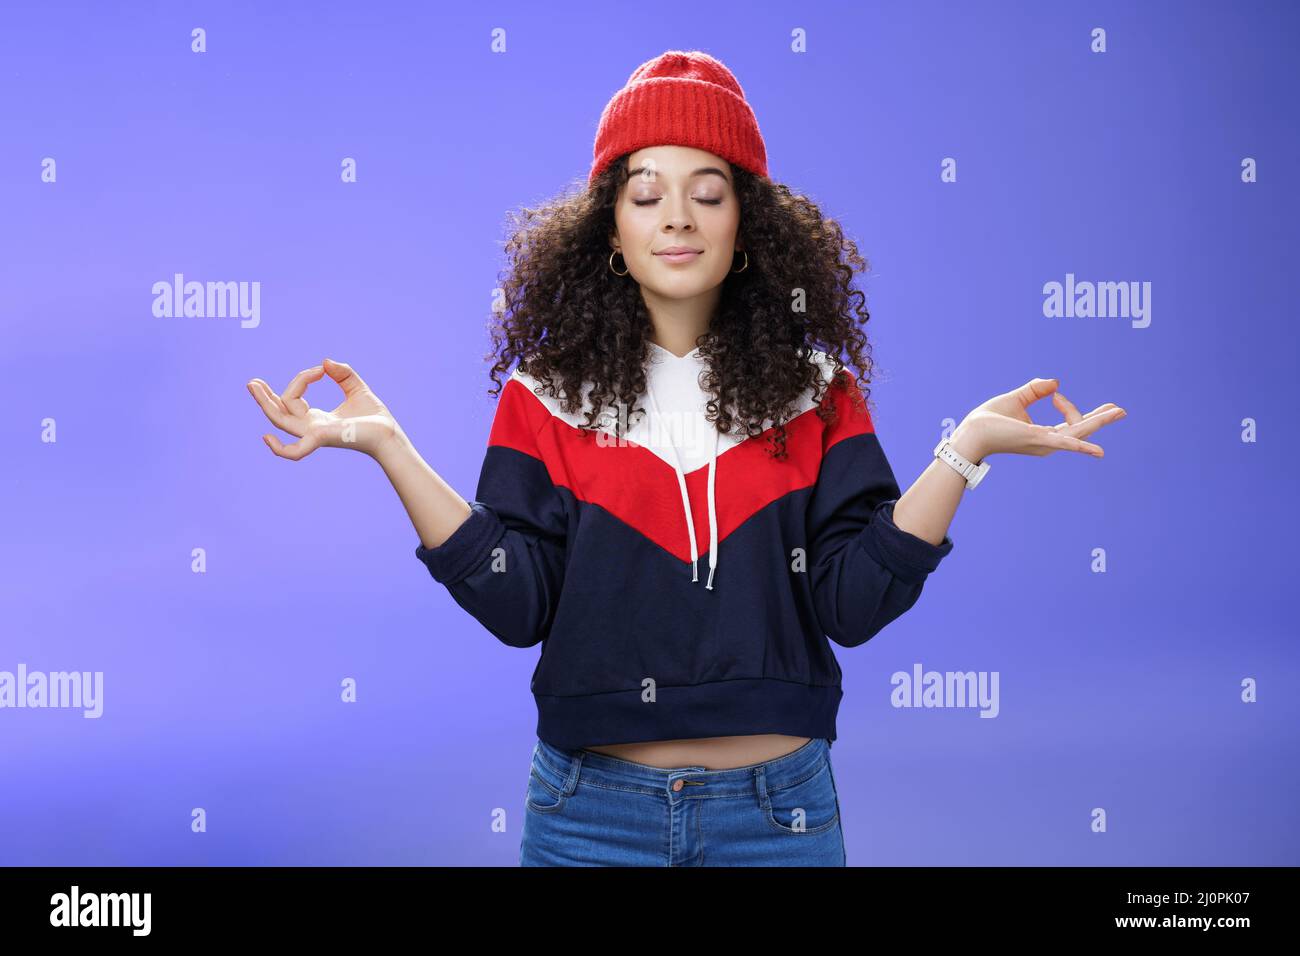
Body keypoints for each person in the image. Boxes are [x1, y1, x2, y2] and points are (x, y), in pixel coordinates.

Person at [245, 50, 1126, 866]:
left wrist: (963, 450)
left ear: (748, 226)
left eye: (708, 192)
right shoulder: (542, 397)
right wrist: (389, 448)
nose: (677, 216)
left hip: (778, 817)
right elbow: (521, 605)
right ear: (610, 230)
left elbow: (851, 603)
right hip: (586, 815)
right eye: (645, 192)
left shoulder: (820, 394)